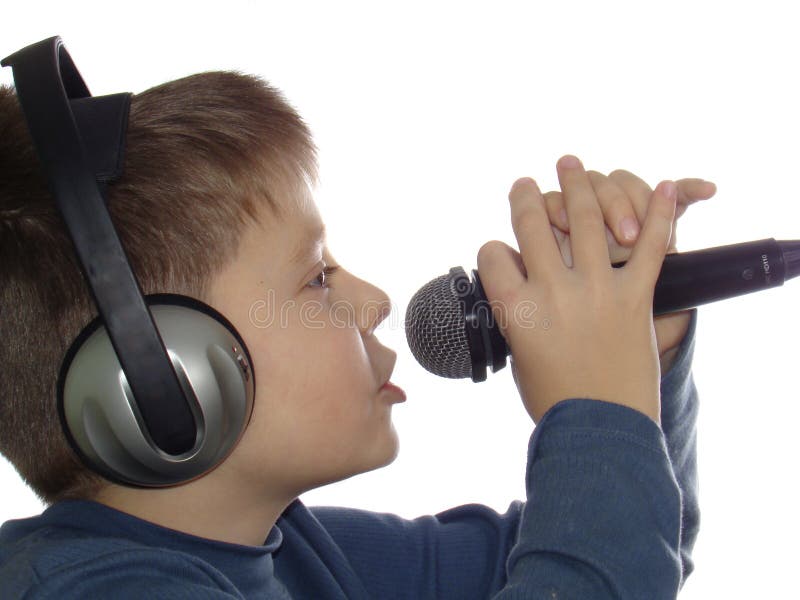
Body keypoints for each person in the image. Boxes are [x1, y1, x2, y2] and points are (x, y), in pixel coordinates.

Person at [0, 59, 715, 598]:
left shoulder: (296, 552)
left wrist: (643, 366)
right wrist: (598, 410)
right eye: (317, 277)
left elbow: (629, 545)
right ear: (162, 377)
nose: (375, 301)